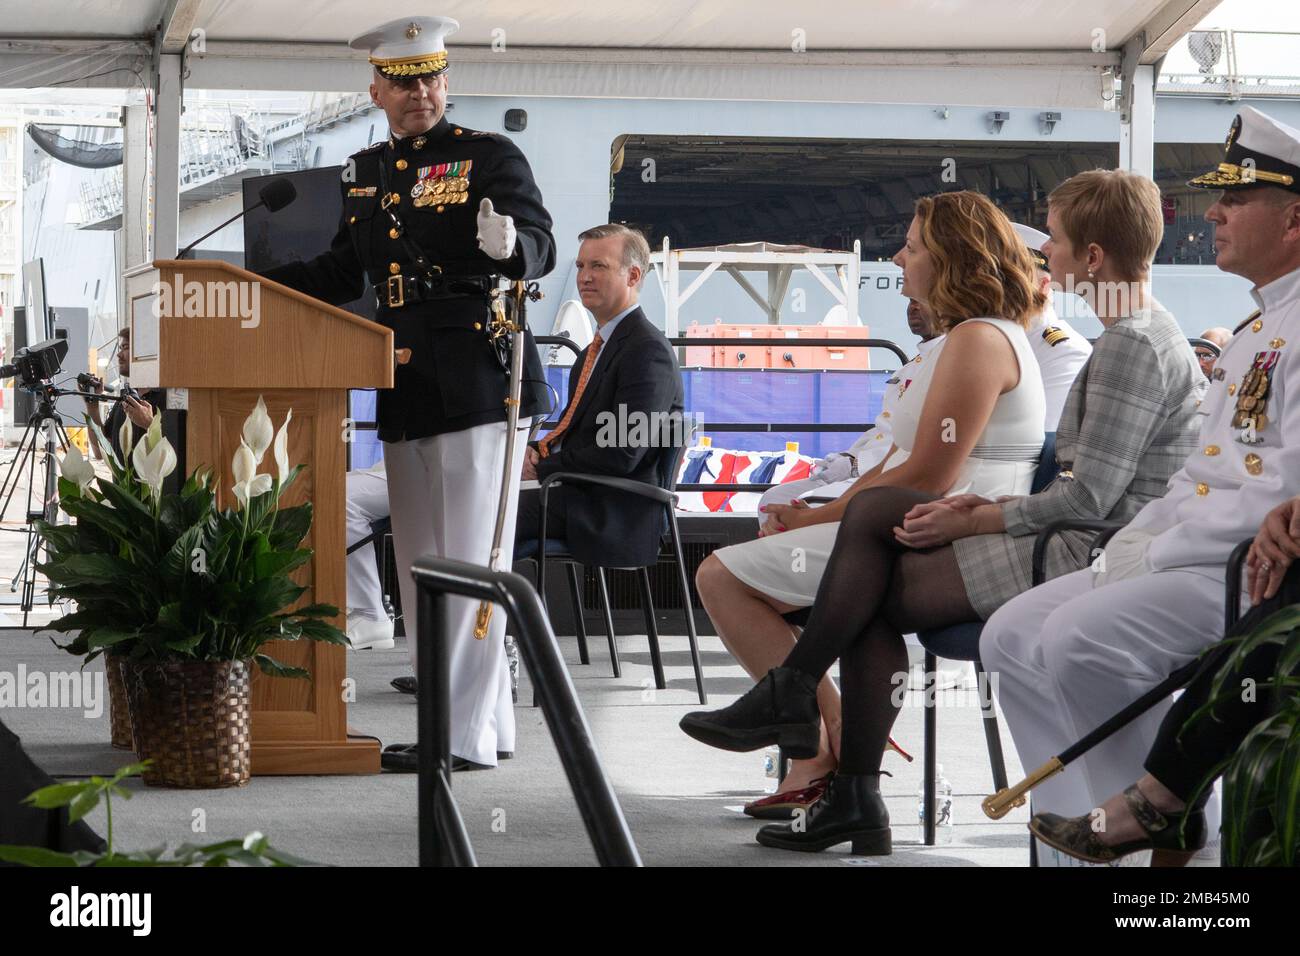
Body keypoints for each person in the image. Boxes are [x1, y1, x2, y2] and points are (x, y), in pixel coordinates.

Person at [681, 170, 1208, 852]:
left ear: (1094, 258)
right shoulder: (1137, 334)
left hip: (1083, 552)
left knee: (865, 565)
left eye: (1058, 241)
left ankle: (834, 761)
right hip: (1080, 539)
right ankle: (833, 763)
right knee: (868, 549)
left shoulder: (1130, 344)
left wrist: (975, 519)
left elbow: (1089, 501)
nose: (1046, 253)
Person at [978, 105, 1300, 845]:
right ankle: (1079, 832)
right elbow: (1197, 477)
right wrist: (1143, 540)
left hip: (1248, 571)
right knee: (1010, 634)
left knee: (1076, 638)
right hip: (1194, 549)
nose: (1212, 211)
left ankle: (1170, 839)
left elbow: (1278, 494)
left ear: (1292, 221)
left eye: (1236, 199)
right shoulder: (1257, 331)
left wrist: (1153, 551)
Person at [686, 190, 1047, 818]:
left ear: (950, 258)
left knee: (721, 576)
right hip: (910, 524)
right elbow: (891, 464)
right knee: (858, 605)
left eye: (912, 247)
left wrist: (822, 518)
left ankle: (808, 722)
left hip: (950, 533)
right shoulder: (961, 340)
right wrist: (813, 513)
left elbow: (930, 476)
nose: (898, 258)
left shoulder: (981, 341)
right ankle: (843, 774)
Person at [259, 15, 555, 773]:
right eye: (403, 81)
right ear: (377, 91)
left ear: (446, 82)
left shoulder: (488, 157)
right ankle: (475, 724)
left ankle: (460, 737)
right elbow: (340, 274)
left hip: (482, 382)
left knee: (471, 560)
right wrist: (250, 285)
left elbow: (541, 243)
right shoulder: (364, 173)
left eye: (430, 78)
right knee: (425, 564)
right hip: (407, 383)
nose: (419, 92)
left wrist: (512, 249)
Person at [1030, 495, 1300, 865]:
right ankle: (1159, 802)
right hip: (1187, 537)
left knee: (1076, 636)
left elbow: (1089, 494)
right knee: (1007, 636)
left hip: (1212, 551)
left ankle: (1162, 799)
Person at [515, 224, 684, 564]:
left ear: (633, 275)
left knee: (485, 512)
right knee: (476, 505)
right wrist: (535, 452)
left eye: (598, 266)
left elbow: (623, 453)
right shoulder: (594, 352)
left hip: (608, 509)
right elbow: (571, 432)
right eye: (580, 266)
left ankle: (475, 614)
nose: (584, 277)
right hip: (576, 492)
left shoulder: (646, 352)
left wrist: (545, 467)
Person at [1011, 223, 1093, 429]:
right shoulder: (996, 340)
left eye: (1011, 281)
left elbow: (1047, 442)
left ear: (1042, 287)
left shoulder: (1064, 351)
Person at [82, 328, 161, 462]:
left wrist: (149, 424)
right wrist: (92, 407)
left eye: (125, 347)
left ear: (144, 352)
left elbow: (175, 452)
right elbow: (101, 451)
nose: (118, 355)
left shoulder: (169, 398)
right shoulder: (125, 397)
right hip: (121, 484)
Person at [344, 459, 395, 650]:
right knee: (322, 484)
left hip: (441, 463)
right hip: (402, 458)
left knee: (339, 496)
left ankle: (368, 613)